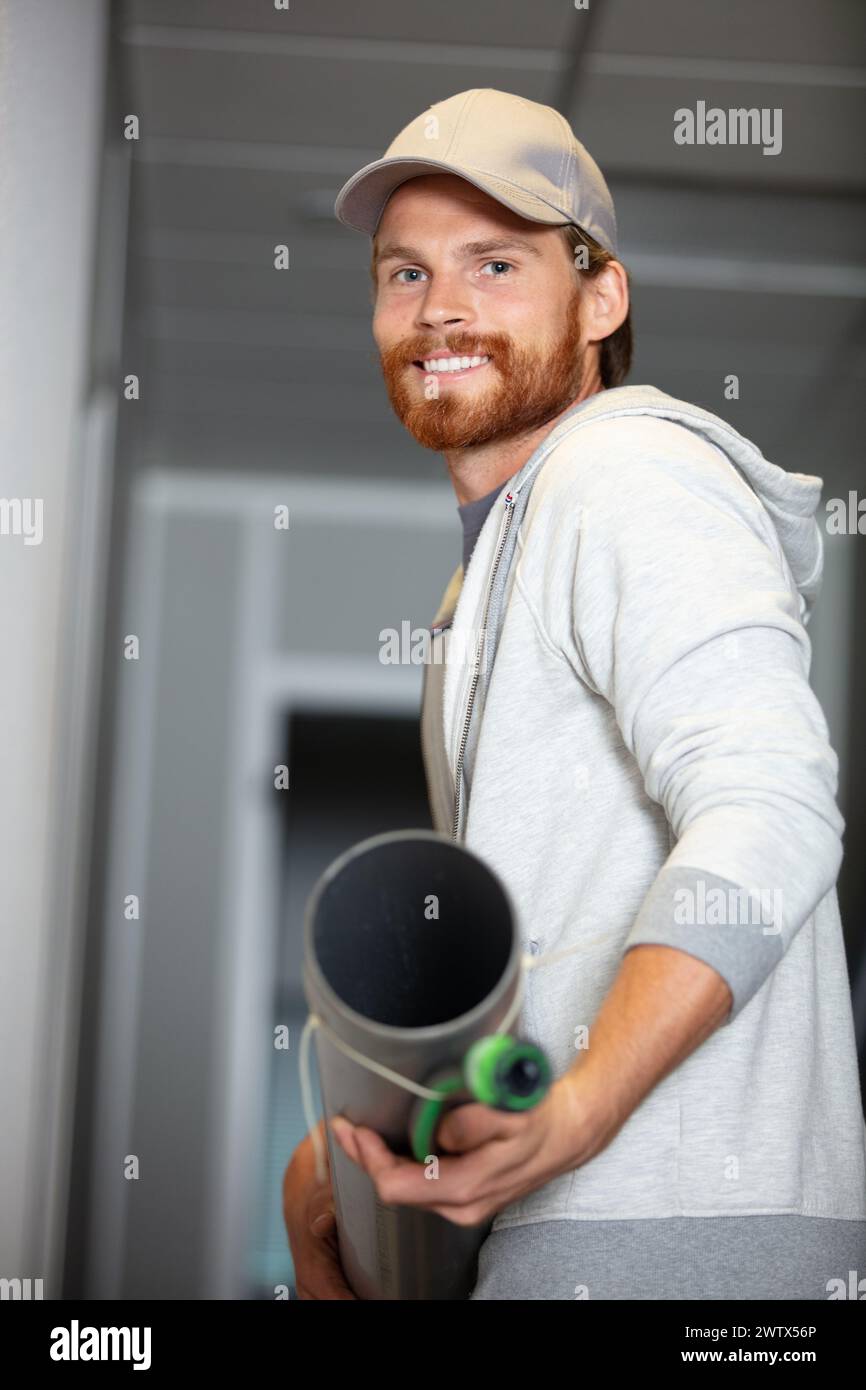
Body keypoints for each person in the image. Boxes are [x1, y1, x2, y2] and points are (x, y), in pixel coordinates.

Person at [283, 88, 866, 1300]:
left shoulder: (626, 476)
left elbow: (772, 804)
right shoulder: (496, 568)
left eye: (494, 264)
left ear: (599, 297)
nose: (439, 307)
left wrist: (582, 1109)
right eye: (404, 275)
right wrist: (359, 1170)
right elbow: (543, 964)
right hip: (584, 1236)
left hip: (685, 1241)